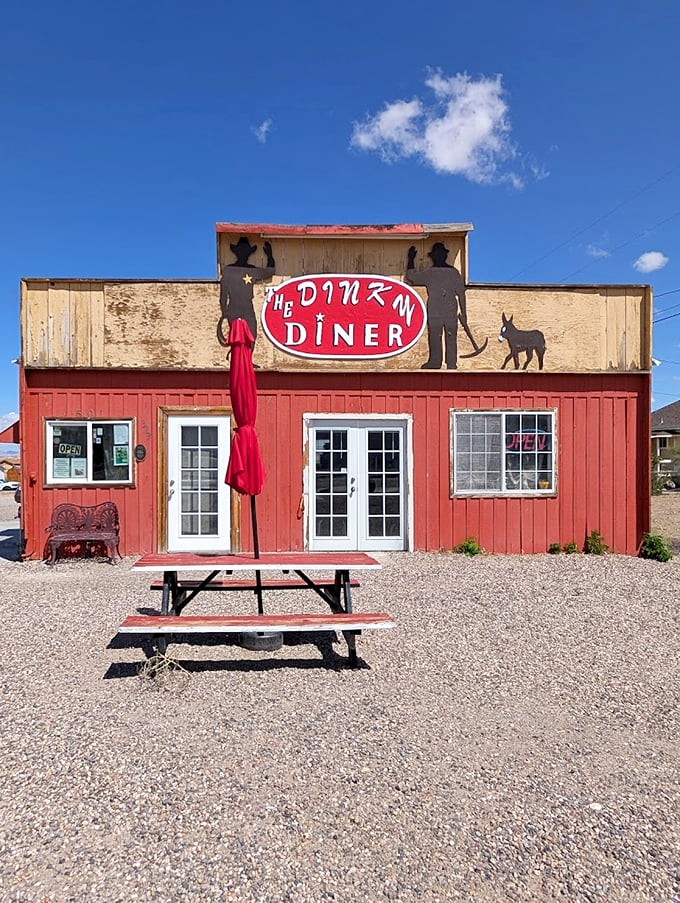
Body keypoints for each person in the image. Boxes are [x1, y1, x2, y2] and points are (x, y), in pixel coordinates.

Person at [405, 242, 468, 370]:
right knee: (437, 336)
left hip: (445, 310)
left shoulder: (450, 273)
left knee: (446, 335)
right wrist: (411, 259)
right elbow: (411, 277)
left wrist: (464, 313)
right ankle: (438, 362)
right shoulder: (438, 273)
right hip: (438, 311)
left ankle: (449, 363)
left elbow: (461, 293)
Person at [217, 237, 275, 347]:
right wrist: (224, 311)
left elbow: (269, 272)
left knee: (250, 333)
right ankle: (241, 360)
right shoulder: (235, 270)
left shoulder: (235, 270)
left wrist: (225, 311)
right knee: (244, 334)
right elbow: (223, 294)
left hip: (243, 306)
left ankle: (246, 360)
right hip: (238, 306)